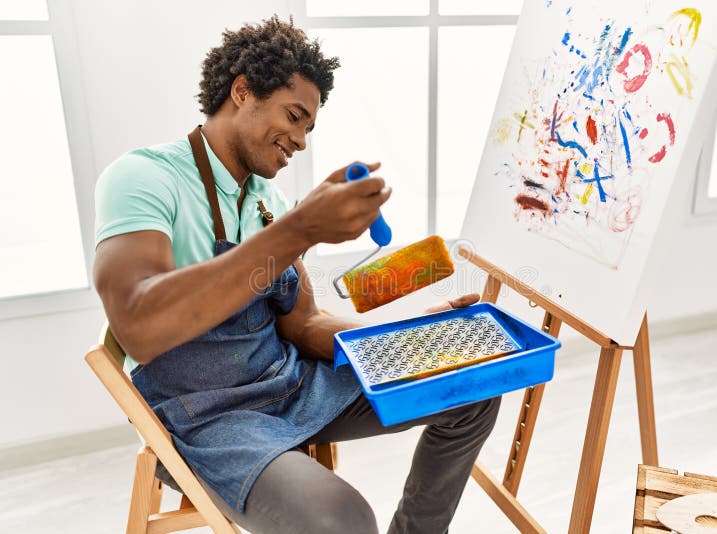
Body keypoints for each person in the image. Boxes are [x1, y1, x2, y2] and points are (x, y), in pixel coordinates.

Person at [93, 16, 501, 534]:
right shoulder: (145, 177)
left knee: (472, 387)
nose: (301, 141)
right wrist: (299, 229)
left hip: (287, 384)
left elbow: (303, 325)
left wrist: (404, 339)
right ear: (242, 91)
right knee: (341, 518)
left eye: (309, 127)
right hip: (207, 417)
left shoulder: (268, 201)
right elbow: (138, 326)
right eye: (294, 116)